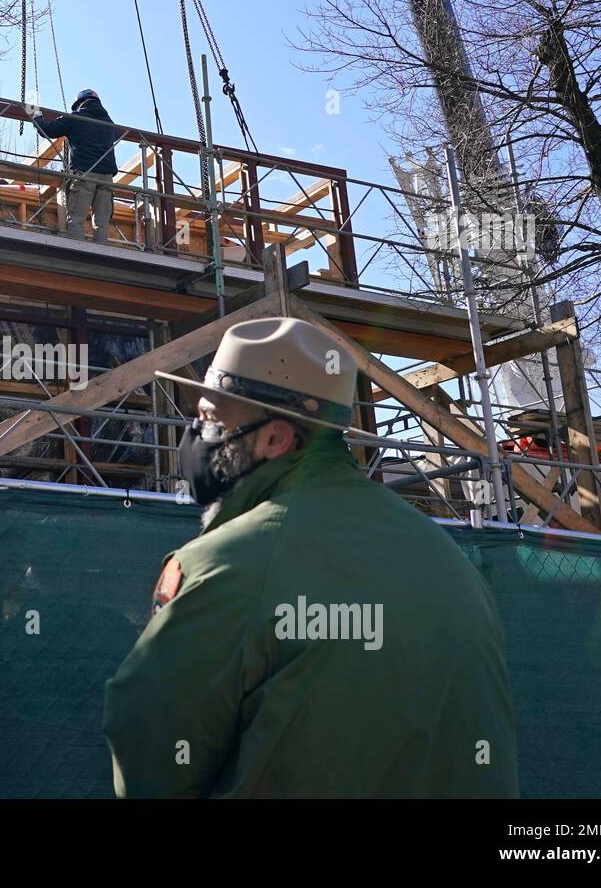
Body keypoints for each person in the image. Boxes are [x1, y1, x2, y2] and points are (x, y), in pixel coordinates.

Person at [103, 317, 520, 797]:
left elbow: (151, 758)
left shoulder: (224, 566)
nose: (197, 434)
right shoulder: (448, 559)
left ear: (275, 439)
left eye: (213, 420)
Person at [28, 89, 120, 243]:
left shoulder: (76, 118)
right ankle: (102, 256)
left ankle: (78, 253)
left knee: (75, 219)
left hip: (84, 173)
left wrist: (36, 116)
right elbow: (115, 136)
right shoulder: (110, 125)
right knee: (102, 223)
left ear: (79, 104)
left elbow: (49, 130)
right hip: (106, 178)